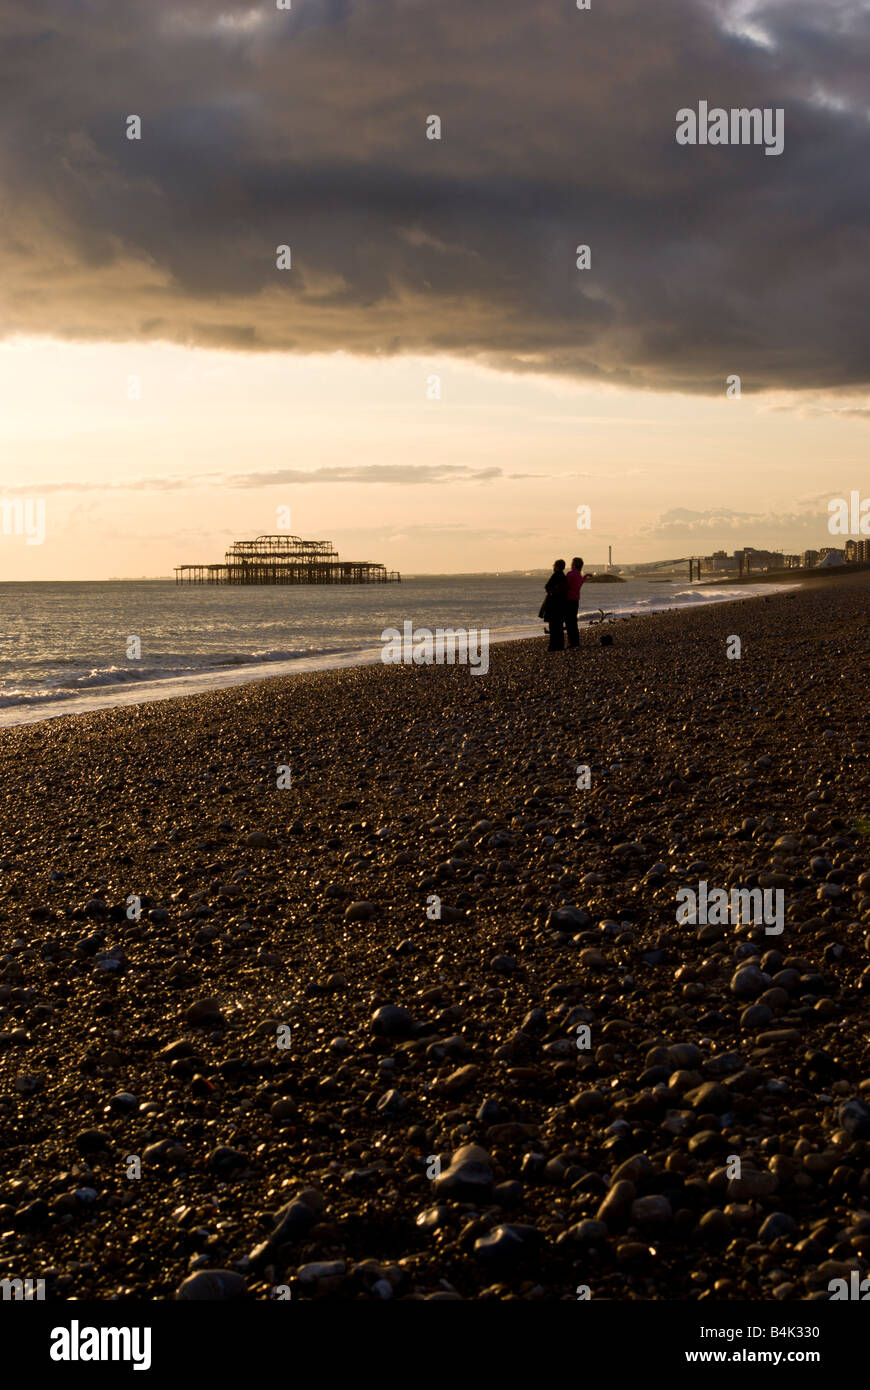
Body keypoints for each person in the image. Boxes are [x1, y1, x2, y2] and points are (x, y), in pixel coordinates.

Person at [543, 559, 568, 650]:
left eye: (554, 566)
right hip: (561, 603)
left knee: (553, 626)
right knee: (559, 626)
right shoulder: (563, 576)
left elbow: (547, 587)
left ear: (556, 567)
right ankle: (560, 645)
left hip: (554, 604)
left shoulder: (556, 575)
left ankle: (553, 646)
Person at [565, 556, 587, 648]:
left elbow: (565, 585)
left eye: (572, 563)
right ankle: (575, 642)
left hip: (568, 600)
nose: (570, 564)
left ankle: (572, 642)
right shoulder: (578, 574)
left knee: (569, 622)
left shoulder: (570, 574)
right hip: (576, 600)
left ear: (574, 565)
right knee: (573, 622)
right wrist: (586, 576)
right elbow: (581, 583)